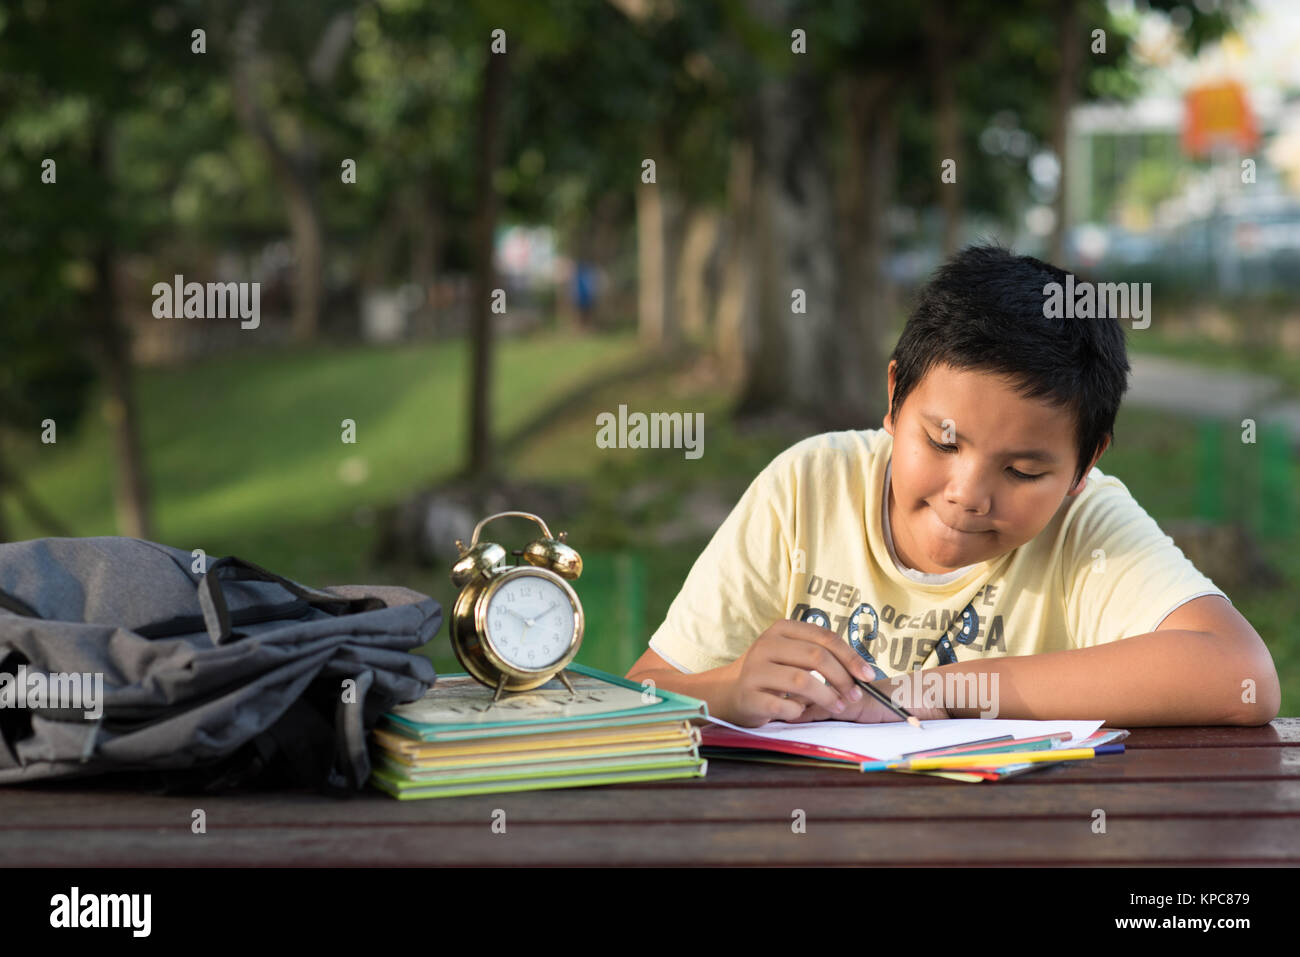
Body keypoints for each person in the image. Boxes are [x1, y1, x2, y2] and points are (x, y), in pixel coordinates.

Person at [625, 244, 1281, 728]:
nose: (968, 493)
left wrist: (950, 687)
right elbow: (640, 694)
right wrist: (735, 687)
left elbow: (1240, 673)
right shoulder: (808, 488)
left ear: (1083, 466)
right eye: (943, 442)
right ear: (892, 398)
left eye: (1023, 471)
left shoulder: (1086, 526)